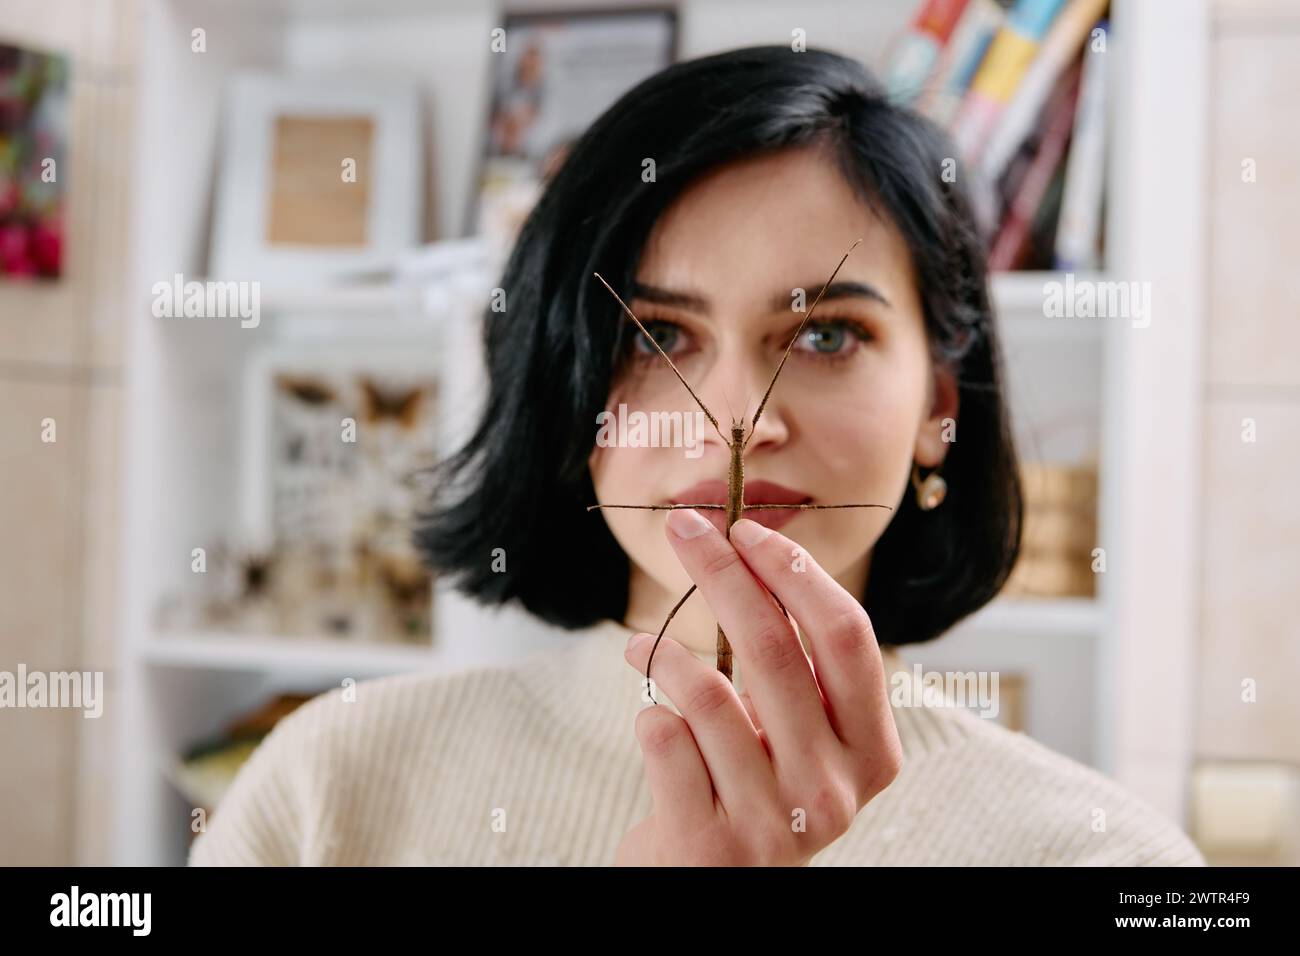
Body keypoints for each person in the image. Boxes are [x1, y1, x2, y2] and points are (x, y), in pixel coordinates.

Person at [189, 46, 1205, 866]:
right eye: (654, 336)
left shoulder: (1103, 859)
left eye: (824, 336)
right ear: (569, 388)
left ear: (938, 404)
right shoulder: (329, 784)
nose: (731, 424)